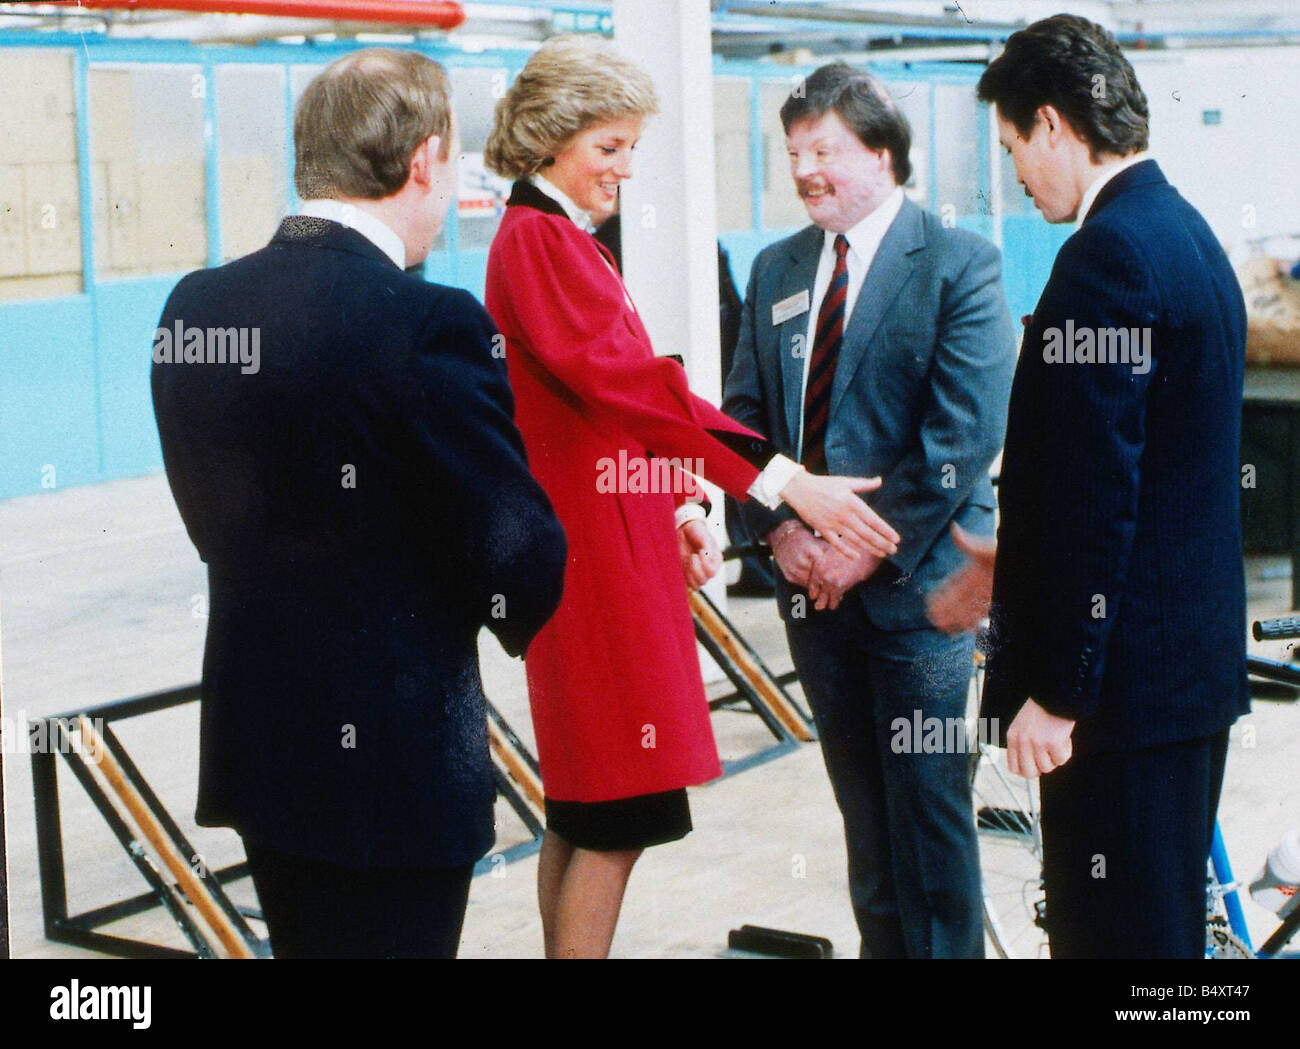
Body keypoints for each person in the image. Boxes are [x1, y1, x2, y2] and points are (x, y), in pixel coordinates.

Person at [482, 35, 899, 960]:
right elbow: (638, 388)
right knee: (614, 816)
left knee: (584, 809)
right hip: (592, 579)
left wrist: (676, 505)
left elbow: (611, 406)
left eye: (630, 148)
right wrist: (782, 477)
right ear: (549, 139)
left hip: (600, 554)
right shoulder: (541, 243)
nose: (624, 170)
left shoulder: (554, 239)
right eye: (607, 147)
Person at [151, 49, 567, 958]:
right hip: (396, 763)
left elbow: (212, 518)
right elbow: (518, 557)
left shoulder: (198, 307)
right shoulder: (429, 322)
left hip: (265, 745)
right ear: (423, 160)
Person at [932, 14, 1250, 958]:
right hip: (1181, 679)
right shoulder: (1187, 233)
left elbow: (1099, 497)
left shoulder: (1105, 258)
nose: (1017, 175)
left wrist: (1059, 693)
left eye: (1012, 149)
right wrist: (1017, 559)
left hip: (1118, 698)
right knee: (1160, 951)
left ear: (1053, 126)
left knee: (1118, 952)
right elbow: (1152, 480)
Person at [722, 63, 1015, 959]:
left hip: (921, 594)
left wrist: (861, 552)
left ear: (884, 153)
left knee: (928, 821)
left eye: (827, 150)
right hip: (813, 595)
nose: (806, 170)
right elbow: (739, 424)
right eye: (794, 152)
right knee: (865, 825)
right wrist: (777, 532)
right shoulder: (778, 266)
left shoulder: (958, 262)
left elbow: (961, 433)